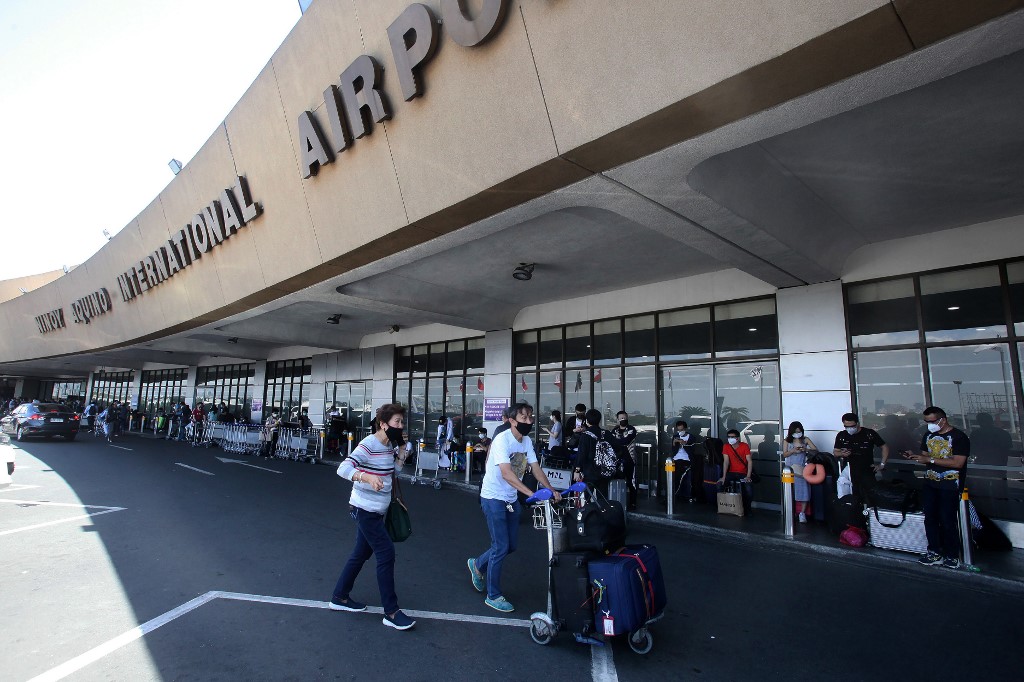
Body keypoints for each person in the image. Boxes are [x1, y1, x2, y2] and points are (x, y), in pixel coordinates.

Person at [467, 402, 561, 613]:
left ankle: (477, 565)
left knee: (510, 546)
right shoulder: (502, 440)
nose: (529, 421)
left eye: (531, 417)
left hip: (510, 499)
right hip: (493, 498)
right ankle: (493, 595)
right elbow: (507, 474)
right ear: (512, 421)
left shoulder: (526, 441)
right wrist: (532, 493)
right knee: (500, 546)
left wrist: (551, 489)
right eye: (524, 418)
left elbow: (536, 469)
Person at [331, 403, 416, 630]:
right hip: (364, 509)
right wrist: (366, 478)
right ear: (383, 424)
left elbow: (393, 474)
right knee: (386, 553)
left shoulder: (389, 446)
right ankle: (391, 611)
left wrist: (401, 451)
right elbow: (343, 469)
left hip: (379, 510)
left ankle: (339, 597)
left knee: (360, 554)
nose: (401, 426)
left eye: (402, 422)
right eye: (397, 422)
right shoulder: (369, 444)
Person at [903, 406, 969, 569]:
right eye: (926, 422)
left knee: (947, 520)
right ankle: (934, 551)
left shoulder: (959, 437)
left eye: (932, 421)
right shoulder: (928, 435)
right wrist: (916, 456)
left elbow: (958, 462)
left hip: (950, 485)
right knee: (930, 518)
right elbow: (925, 456)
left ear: (943, 420)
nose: (929, 425)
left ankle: (952, 555)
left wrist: (931, 460)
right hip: (930, 483)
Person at [574, 408, 630, 497]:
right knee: (603, 498)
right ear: (599, 420)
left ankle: (590, 510)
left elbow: (582, 454)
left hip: (590, 472)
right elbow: (618, 449)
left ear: (587, 421)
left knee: (588, 498)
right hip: (604, 471)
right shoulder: (606, 433)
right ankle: (603, 510)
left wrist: (577, 470)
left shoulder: (585, 435)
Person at [832, 412, 888, 497]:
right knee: (850, 493)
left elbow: (884, 447)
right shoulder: (842, 435)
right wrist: (842, 454)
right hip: (849, 469)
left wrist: (882, 464)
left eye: (852, 426)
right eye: (846, 426)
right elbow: (836, 452)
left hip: (867, 469)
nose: (849, 428)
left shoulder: (869, 433)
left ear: (857, 423)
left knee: (871, 494)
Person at [782, 421, 818, 523]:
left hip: (802, 468)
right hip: (790, 468)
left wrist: (805, 449)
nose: (797, 433)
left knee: (804, 491)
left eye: (799, 431)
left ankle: (802, 513)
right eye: (795, 431)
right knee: (790, 491)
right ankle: (791, 512)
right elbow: (784, 454)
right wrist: (793, 451)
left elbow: (815, 450)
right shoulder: (787, 441)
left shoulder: (805, 439)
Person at [718, 428, 753, 514]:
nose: (730, 439)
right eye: (729, 437)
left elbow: (749, 461)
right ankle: (723, 506)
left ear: (737, 438)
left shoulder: (744, 446)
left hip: (743, 473)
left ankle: (747, 509)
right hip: (732, 472)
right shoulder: (726, 446)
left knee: (748, 488)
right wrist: (723, 477)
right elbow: (726, 462)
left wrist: (748, 476)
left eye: (732, 437)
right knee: (719, 484)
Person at [610, 410, 639, 509]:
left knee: (632, 481)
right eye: (621, 418)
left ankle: (633, 503)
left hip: (630, 459)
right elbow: (611, 442)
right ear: (617, 419)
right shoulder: (615, 430)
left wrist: (617, 442)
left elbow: (627, 440)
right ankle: (618, 502)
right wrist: (618, 442)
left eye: (625, 418)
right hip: (617, 459)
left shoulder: (632, 429)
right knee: (618, 480)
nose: (623, 420)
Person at [670, 420, 701, 504]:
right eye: (678, 430)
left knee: (679, 474)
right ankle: (671, 493)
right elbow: (673, 450)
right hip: (676, 458)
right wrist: (674, 442)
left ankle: (677, 494)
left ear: (686, 429)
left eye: (682, 430)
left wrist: (682, 442)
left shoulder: (691, 437)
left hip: (686, 459)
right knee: (671, 473)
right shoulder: (675, 436)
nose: (680, 432)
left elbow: (690, 446)